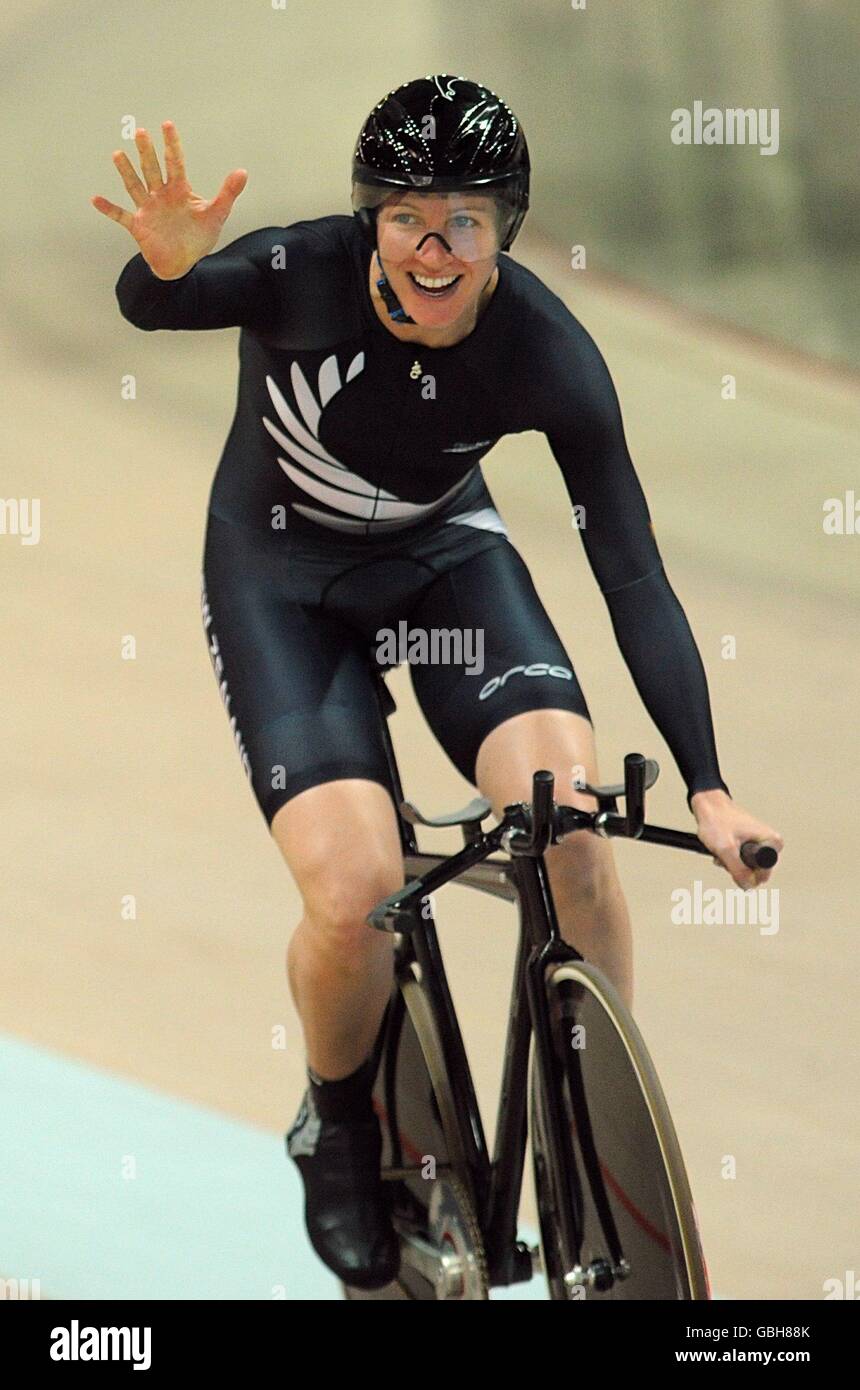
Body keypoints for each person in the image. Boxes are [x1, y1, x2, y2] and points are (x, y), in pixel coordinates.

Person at [94, 74, 783, 1291]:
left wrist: (708, 782)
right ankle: (336, 1117)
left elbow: (626, 567)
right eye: (409, 213)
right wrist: (161, 268)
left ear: (503, 235)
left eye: (465, 218)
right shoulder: (295, 271)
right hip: (282, 575)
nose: (433, 244)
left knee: (570, 820)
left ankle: (585, 1107)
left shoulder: (545, 351)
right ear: (369, 218)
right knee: (356, 885)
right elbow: (155, 304)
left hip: (440, 561)